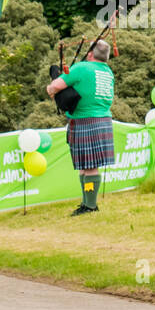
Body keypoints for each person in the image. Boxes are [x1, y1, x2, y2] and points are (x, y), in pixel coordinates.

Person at [46, 38, 116, 216]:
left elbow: (55, 86)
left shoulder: (82, 67)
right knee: (86, 165)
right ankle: (86, 203)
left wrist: (51, 89)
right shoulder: (108, 72)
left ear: (90, 53)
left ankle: (90, 206)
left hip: (86, 120)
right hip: (103, 119)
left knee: (90, 166)